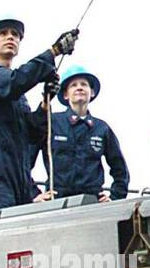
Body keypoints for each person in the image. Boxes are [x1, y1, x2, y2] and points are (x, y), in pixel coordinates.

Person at [0, 18, 78, 212]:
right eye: (3, 33)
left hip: (20, 176)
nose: (11, 37)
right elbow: (11, 84)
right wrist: (53, 53)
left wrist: (45, 102)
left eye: (15, 34)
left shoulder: (19, 97)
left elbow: (31, 134)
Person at [30, 65, 129, 202]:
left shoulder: (102, 128)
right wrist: (34, 194)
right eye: (73, 85)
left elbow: (120, 169)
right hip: (57, 202)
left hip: (92, 203)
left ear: (92, 93)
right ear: (65, 94)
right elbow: (24, 163)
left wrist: (114, 197)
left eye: (84, 84)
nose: (79, 88)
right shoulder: (50, 123)